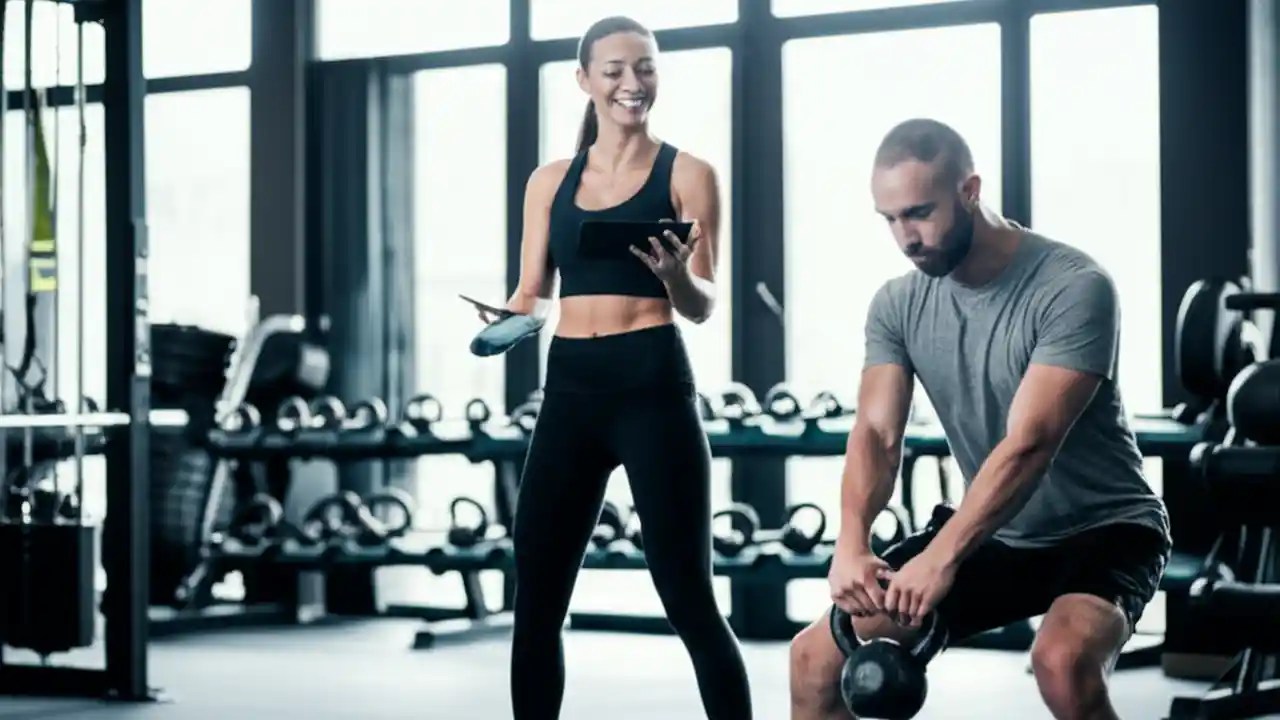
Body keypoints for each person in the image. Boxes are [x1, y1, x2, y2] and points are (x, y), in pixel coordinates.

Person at [788, 118, 1171, 720]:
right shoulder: (899, 303)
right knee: (815, 660)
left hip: (1104, 530)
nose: (905, 237)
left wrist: (941, 557)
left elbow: (1030, 443)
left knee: (1063, 661)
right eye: (888, 219)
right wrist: (852, 542)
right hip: (998, 532)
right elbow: (878, 434)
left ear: (970, 190)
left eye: (918, 212)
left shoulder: (1074, 286)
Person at [484, 15, 754, 720]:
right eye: (614, 71)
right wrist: (503, 322)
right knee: (536, 601)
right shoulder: (548, 181)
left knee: (689, 598)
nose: (632, 84)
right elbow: (531, 293)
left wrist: (673, 276)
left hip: (651, 385)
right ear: (585, 81)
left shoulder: (689, 174)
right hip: (569, 390)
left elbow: (702, 304)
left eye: (645, 68)